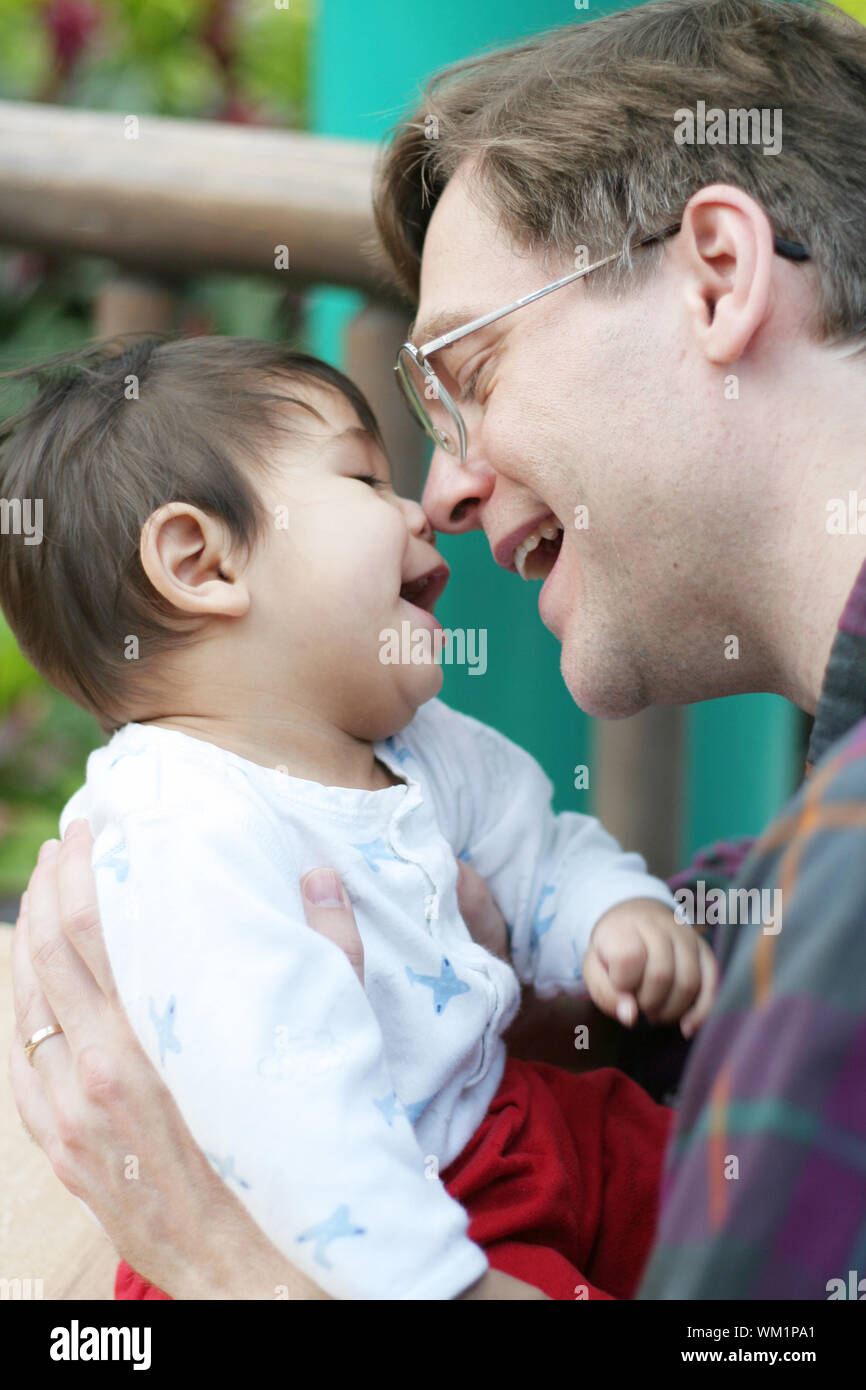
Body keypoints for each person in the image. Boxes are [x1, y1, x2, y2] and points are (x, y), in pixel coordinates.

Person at [9, 0, 866, 1300]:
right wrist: (492, 1013)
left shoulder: (843, 878)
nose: (443, 493)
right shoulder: (795, 870)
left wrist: (242, 1265)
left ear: (714, 274)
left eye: (468, 366)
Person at [1, 335, 712, 1301]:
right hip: (343, 1227)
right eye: (364, 479)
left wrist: (608, 916)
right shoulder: (177, 823)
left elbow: (537, 848)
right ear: (200, 562)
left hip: (505, 1121)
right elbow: (280, 1111)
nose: (419, 507)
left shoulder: (419, 742)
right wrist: (436, 1284)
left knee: (726, 1182)